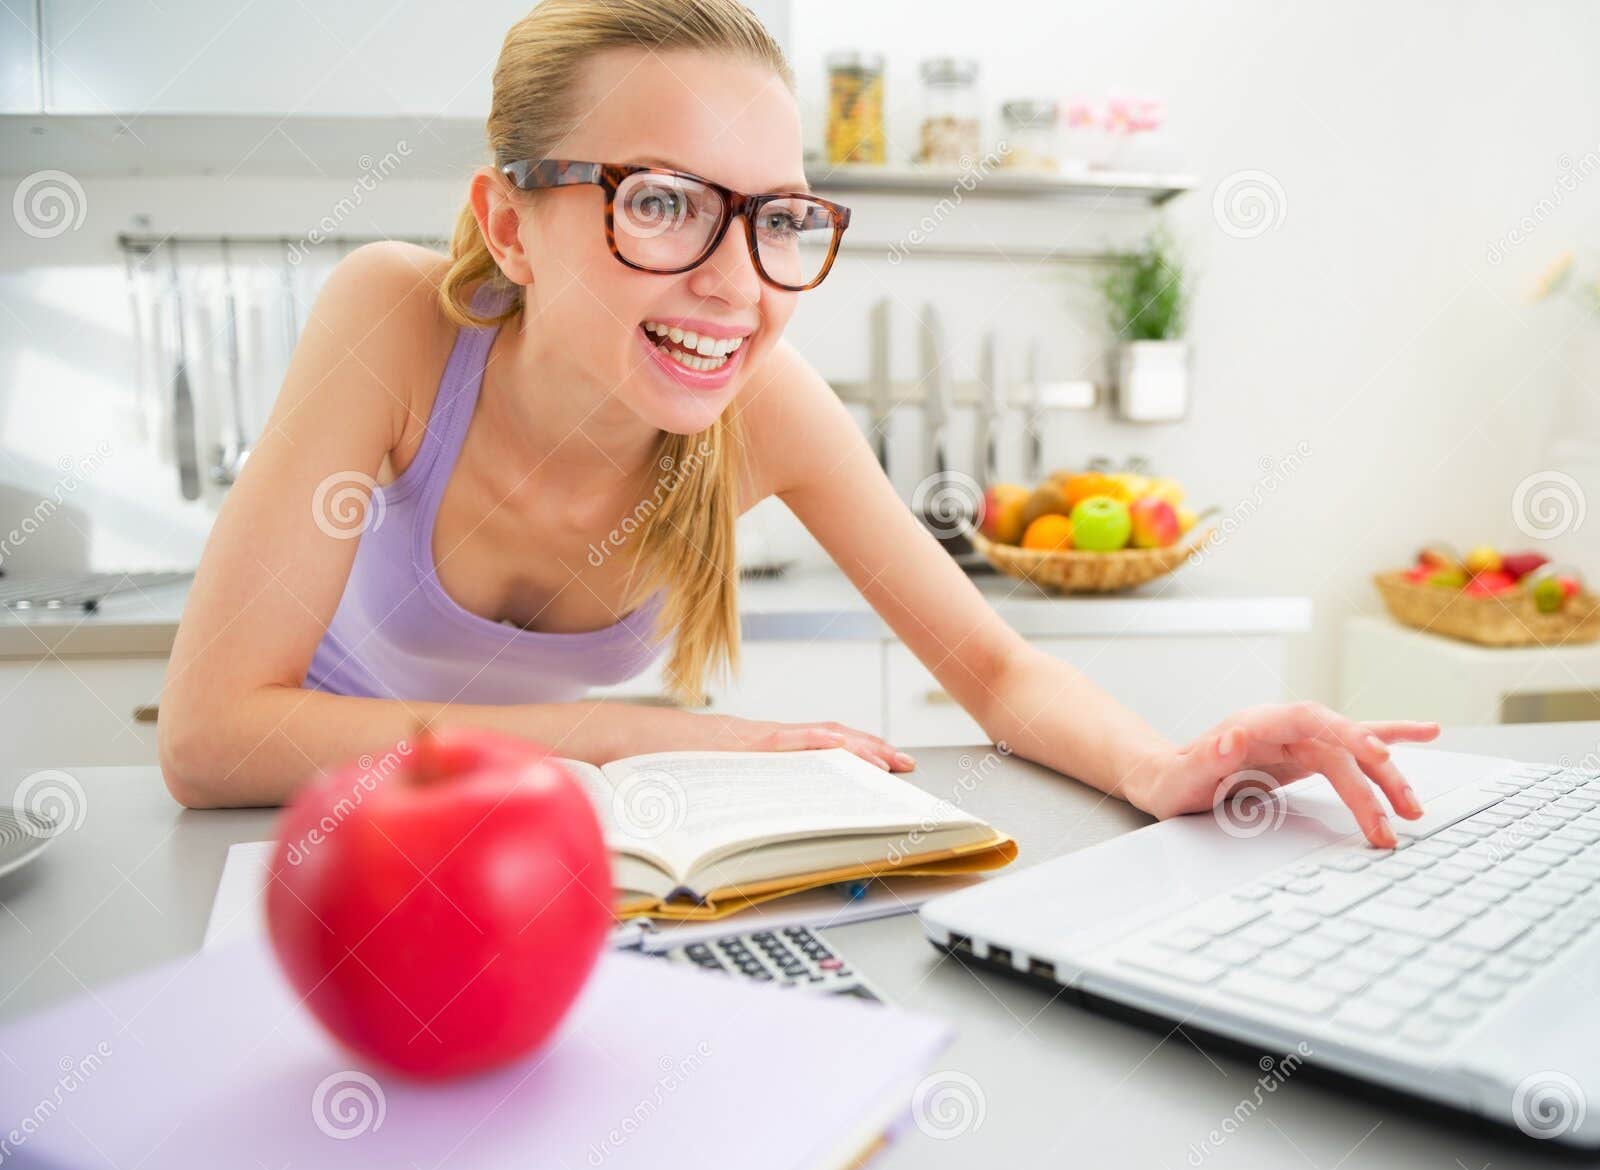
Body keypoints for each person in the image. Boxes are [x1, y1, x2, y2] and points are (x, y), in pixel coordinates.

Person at [159, 0, 1437, 846]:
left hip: (521, 844)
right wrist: (634, 737)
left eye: (776, 216)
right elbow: (215, 737)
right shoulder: (398, 320)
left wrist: (1166, 766)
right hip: (297, 834)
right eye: (660, 202)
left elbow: (995, 671)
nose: (736, 285)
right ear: (508, 224)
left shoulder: (766, 410)